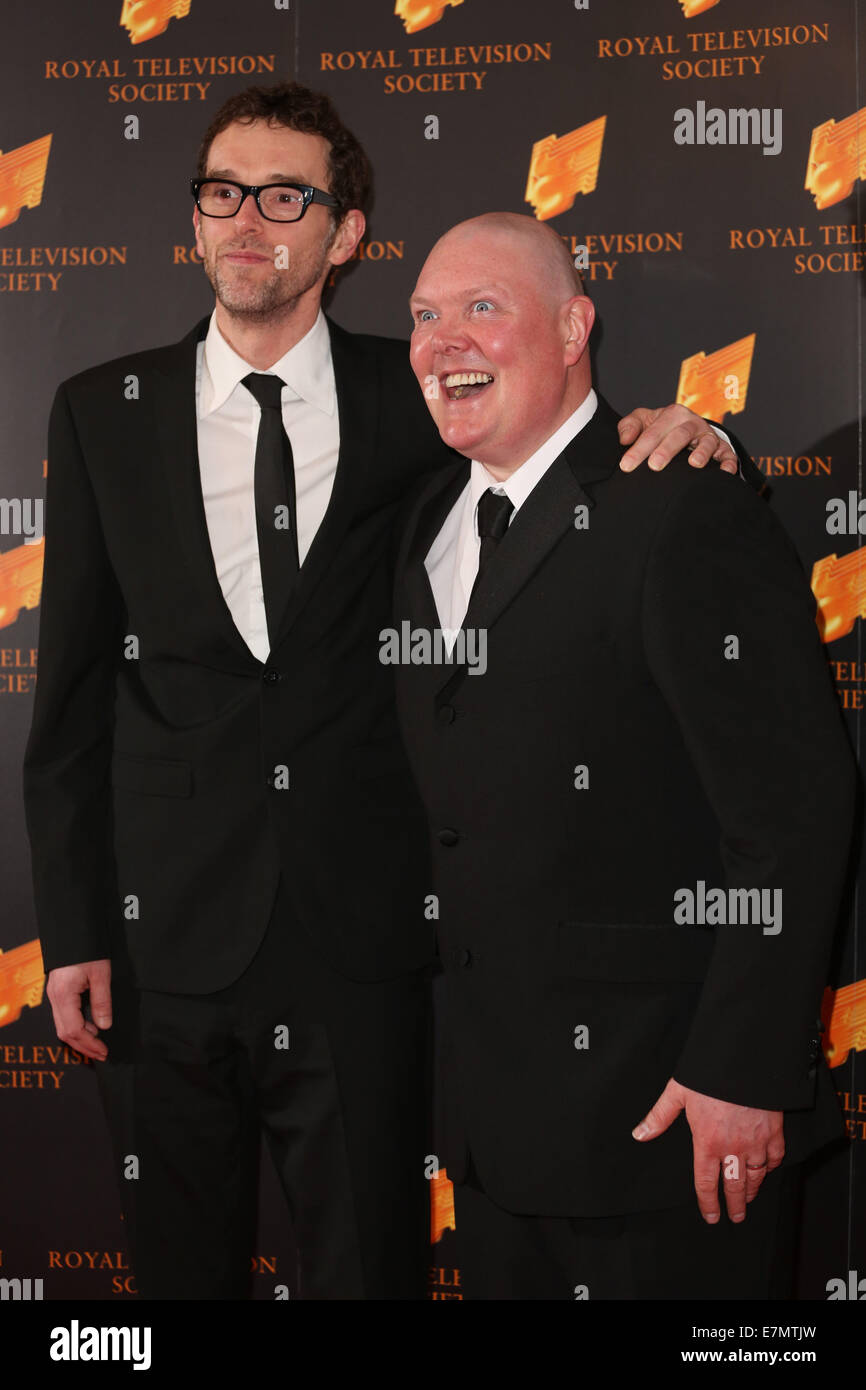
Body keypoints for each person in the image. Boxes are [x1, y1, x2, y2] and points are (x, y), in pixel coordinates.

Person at [23, 83, 751, 1301]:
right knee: (171, 1276)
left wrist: (690, 439)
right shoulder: (104, 411)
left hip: (361, 941)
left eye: (283, 196)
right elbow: (71, 693)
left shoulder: (419, 395)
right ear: (193, 219)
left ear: (344, 232)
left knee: (371, 1270)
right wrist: (76, 925)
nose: (245, 220)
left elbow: (552, 462)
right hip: (162, 947)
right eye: (219, 193)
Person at [392, 211, 857, 1300]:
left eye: (480, 309)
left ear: (572, 327)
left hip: (671, 1129)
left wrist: (741, 1071)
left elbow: (792, 806)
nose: (442, 340)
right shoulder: (420, 524)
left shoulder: (680, 502)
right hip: (494, 1140)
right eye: (421, 316)